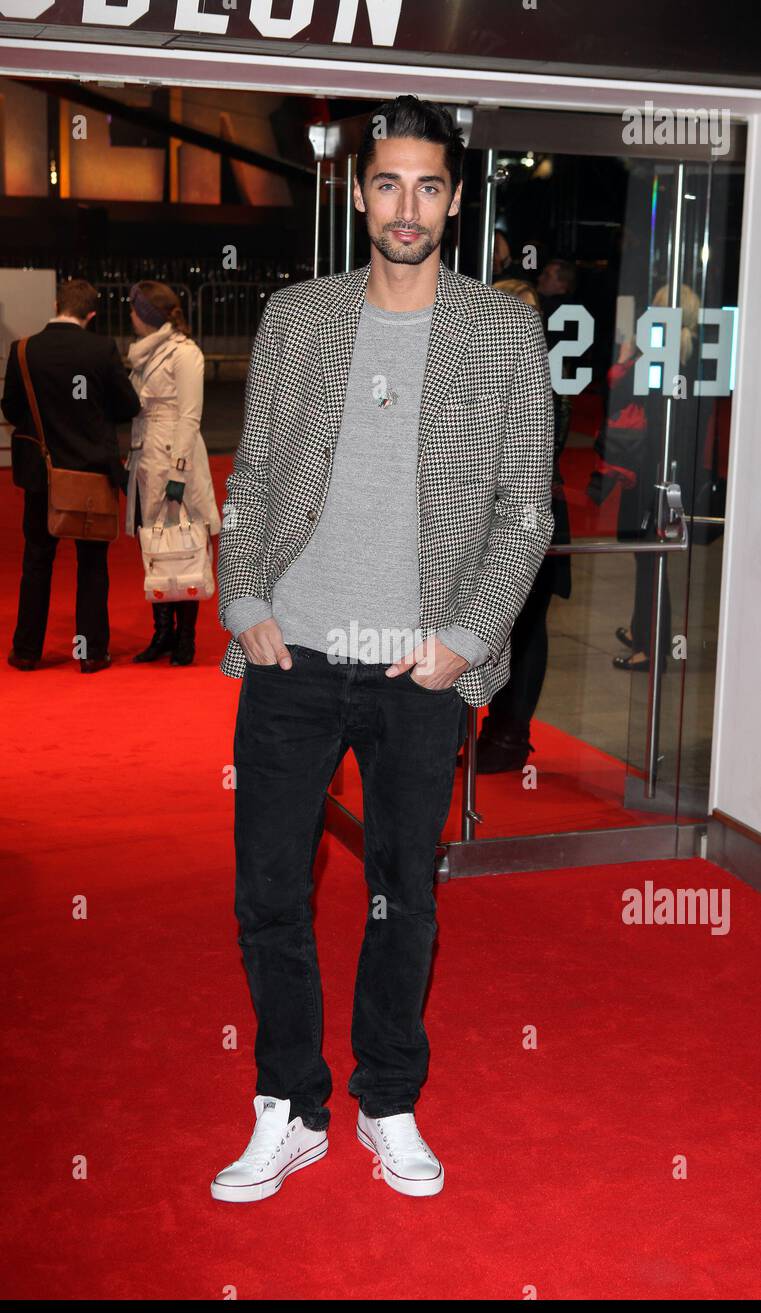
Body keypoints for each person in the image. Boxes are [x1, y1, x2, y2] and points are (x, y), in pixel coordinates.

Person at [211, 94, 555, 1205]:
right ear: (360, 195)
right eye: (387, 184)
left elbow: (525, 510)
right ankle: (289, 1103)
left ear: (452, 202)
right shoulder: (297, 317)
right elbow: (256, 473)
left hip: (419, 669)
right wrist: (244, 596)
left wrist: (464, 640)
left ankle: (388, 1099)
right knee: (268, 890)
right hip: (292, 655)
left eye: (428, 186)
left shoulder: (499, 331)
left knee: (402, 892)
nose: (406, 206)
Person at [2, 278, 139, 673]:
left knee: (37, 562)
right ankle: (92, 653)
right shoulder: (100, 349)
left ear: (56, 303)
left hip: (41, 476)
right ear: (91, 315)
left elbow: (12, 408)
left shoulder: (24, 350)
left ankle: (27, 651)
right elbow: (127, 405)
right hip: (91, 474)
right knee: (92, 565)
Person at [472, 278, 572, 771]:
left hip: (524, 523)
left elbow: (529, 469)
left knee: (527, 628)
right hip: (491, 522)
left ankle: (510, 734)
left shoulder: (539, 387)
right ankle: (494, 729)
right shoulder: (484, 375)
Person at [124, 281, 221, 667]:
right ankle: (162, 632)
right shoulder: (145, 354)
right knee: (155, 545)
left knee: (184, 544)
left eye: (134, 309)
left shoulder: (185, 353)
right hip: (146, 455)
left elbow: (189, 415)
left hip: (174, 456)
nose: (129, 315)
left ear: (147, 315)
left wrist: (178, 472)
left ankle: (186, 638)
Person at [612, 283, 706, 673]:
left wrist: (624, 356)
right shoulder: (694, 355)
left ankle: (650, 646)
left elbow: (618, 392)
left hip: (651, 472)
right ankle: (644, 631)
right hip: (675, 470)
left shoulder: (657, 359)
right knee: (652, 558)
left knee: (650, 560)